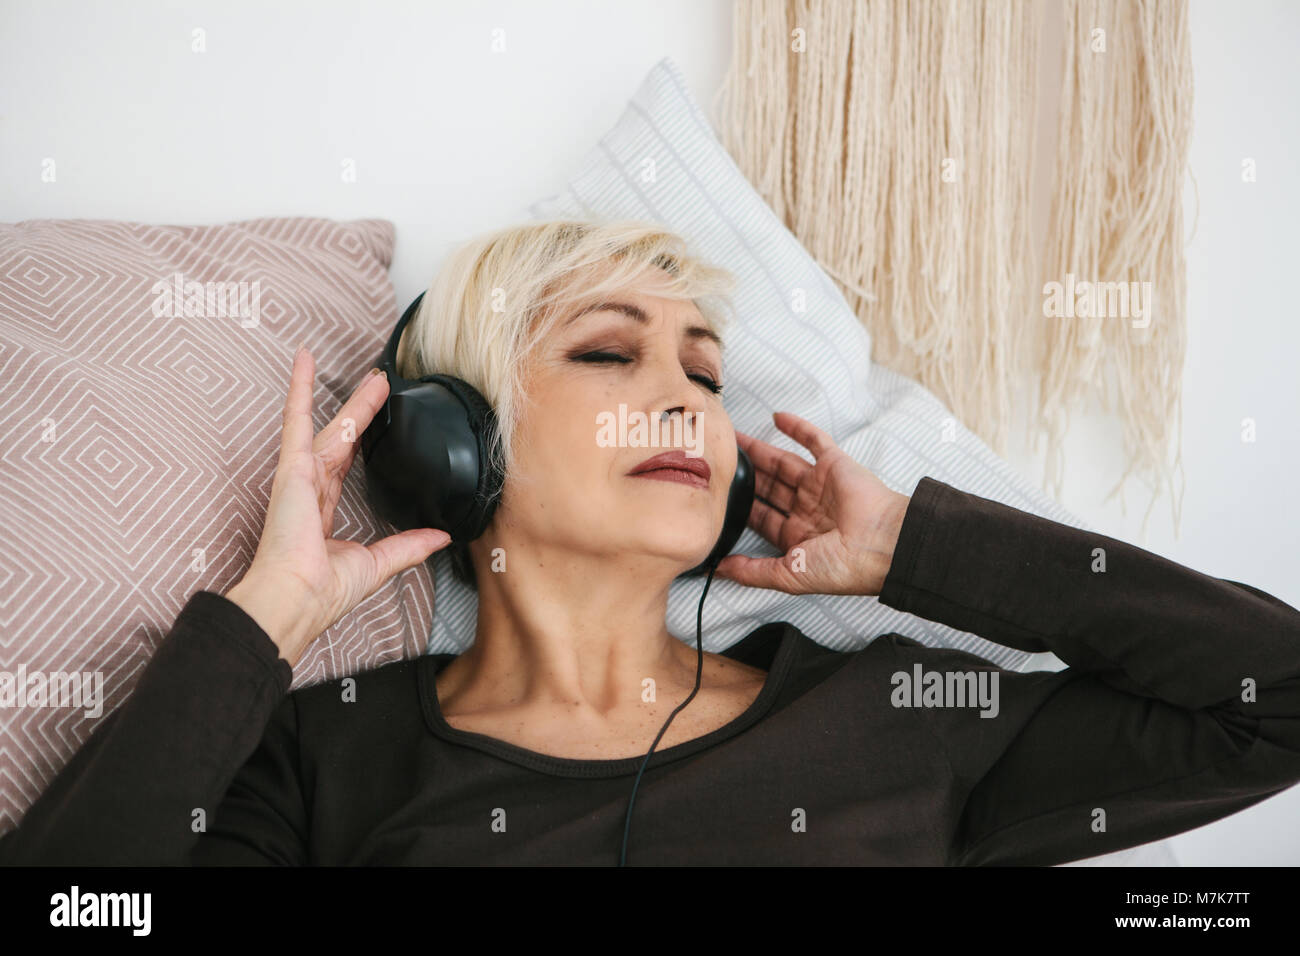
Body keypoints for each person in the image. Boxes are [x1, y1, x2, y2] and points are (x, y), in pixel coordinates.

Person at [1, 220, 1298, 866]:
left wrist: (920, 545)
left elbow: (1278, 703)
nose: (684, 400)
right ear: (456, 444)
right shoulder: (319, 758)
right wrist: (265, 619)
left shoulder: (898, 710)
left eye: (706, 373)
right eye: (611, 351)